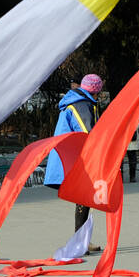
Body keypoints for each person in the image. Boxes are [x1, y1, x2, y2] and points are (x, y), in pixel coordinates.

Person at [45, 73, 104, 251]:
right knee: (83, 197)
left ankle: (83, 239)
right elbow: (87, 132)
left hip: (73, 157)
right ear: (96, 91)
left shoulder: (81, 101)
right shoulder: (81, 105)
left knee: (84, 198)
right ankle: (80, 242)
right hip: (73, 158)